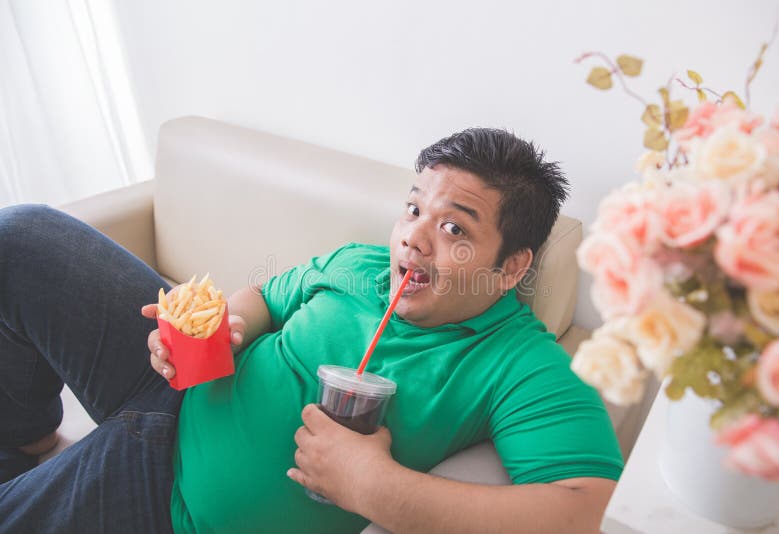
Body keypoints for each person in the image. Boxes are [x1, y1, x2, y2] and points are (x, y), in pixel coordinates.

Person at [0, 128, 623, 533]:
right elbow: (267, 297)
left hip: (166, 483)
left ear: (512, 267)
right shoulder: (358, 262)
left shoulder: (522, 363)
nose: (413, 237)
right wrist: (229, 326)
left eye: (455, 229)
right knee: (20, 237)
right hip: (186, 378)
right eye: (414, 209)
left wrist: (377, 487)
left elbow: (583, 506)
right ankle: (24, 438)